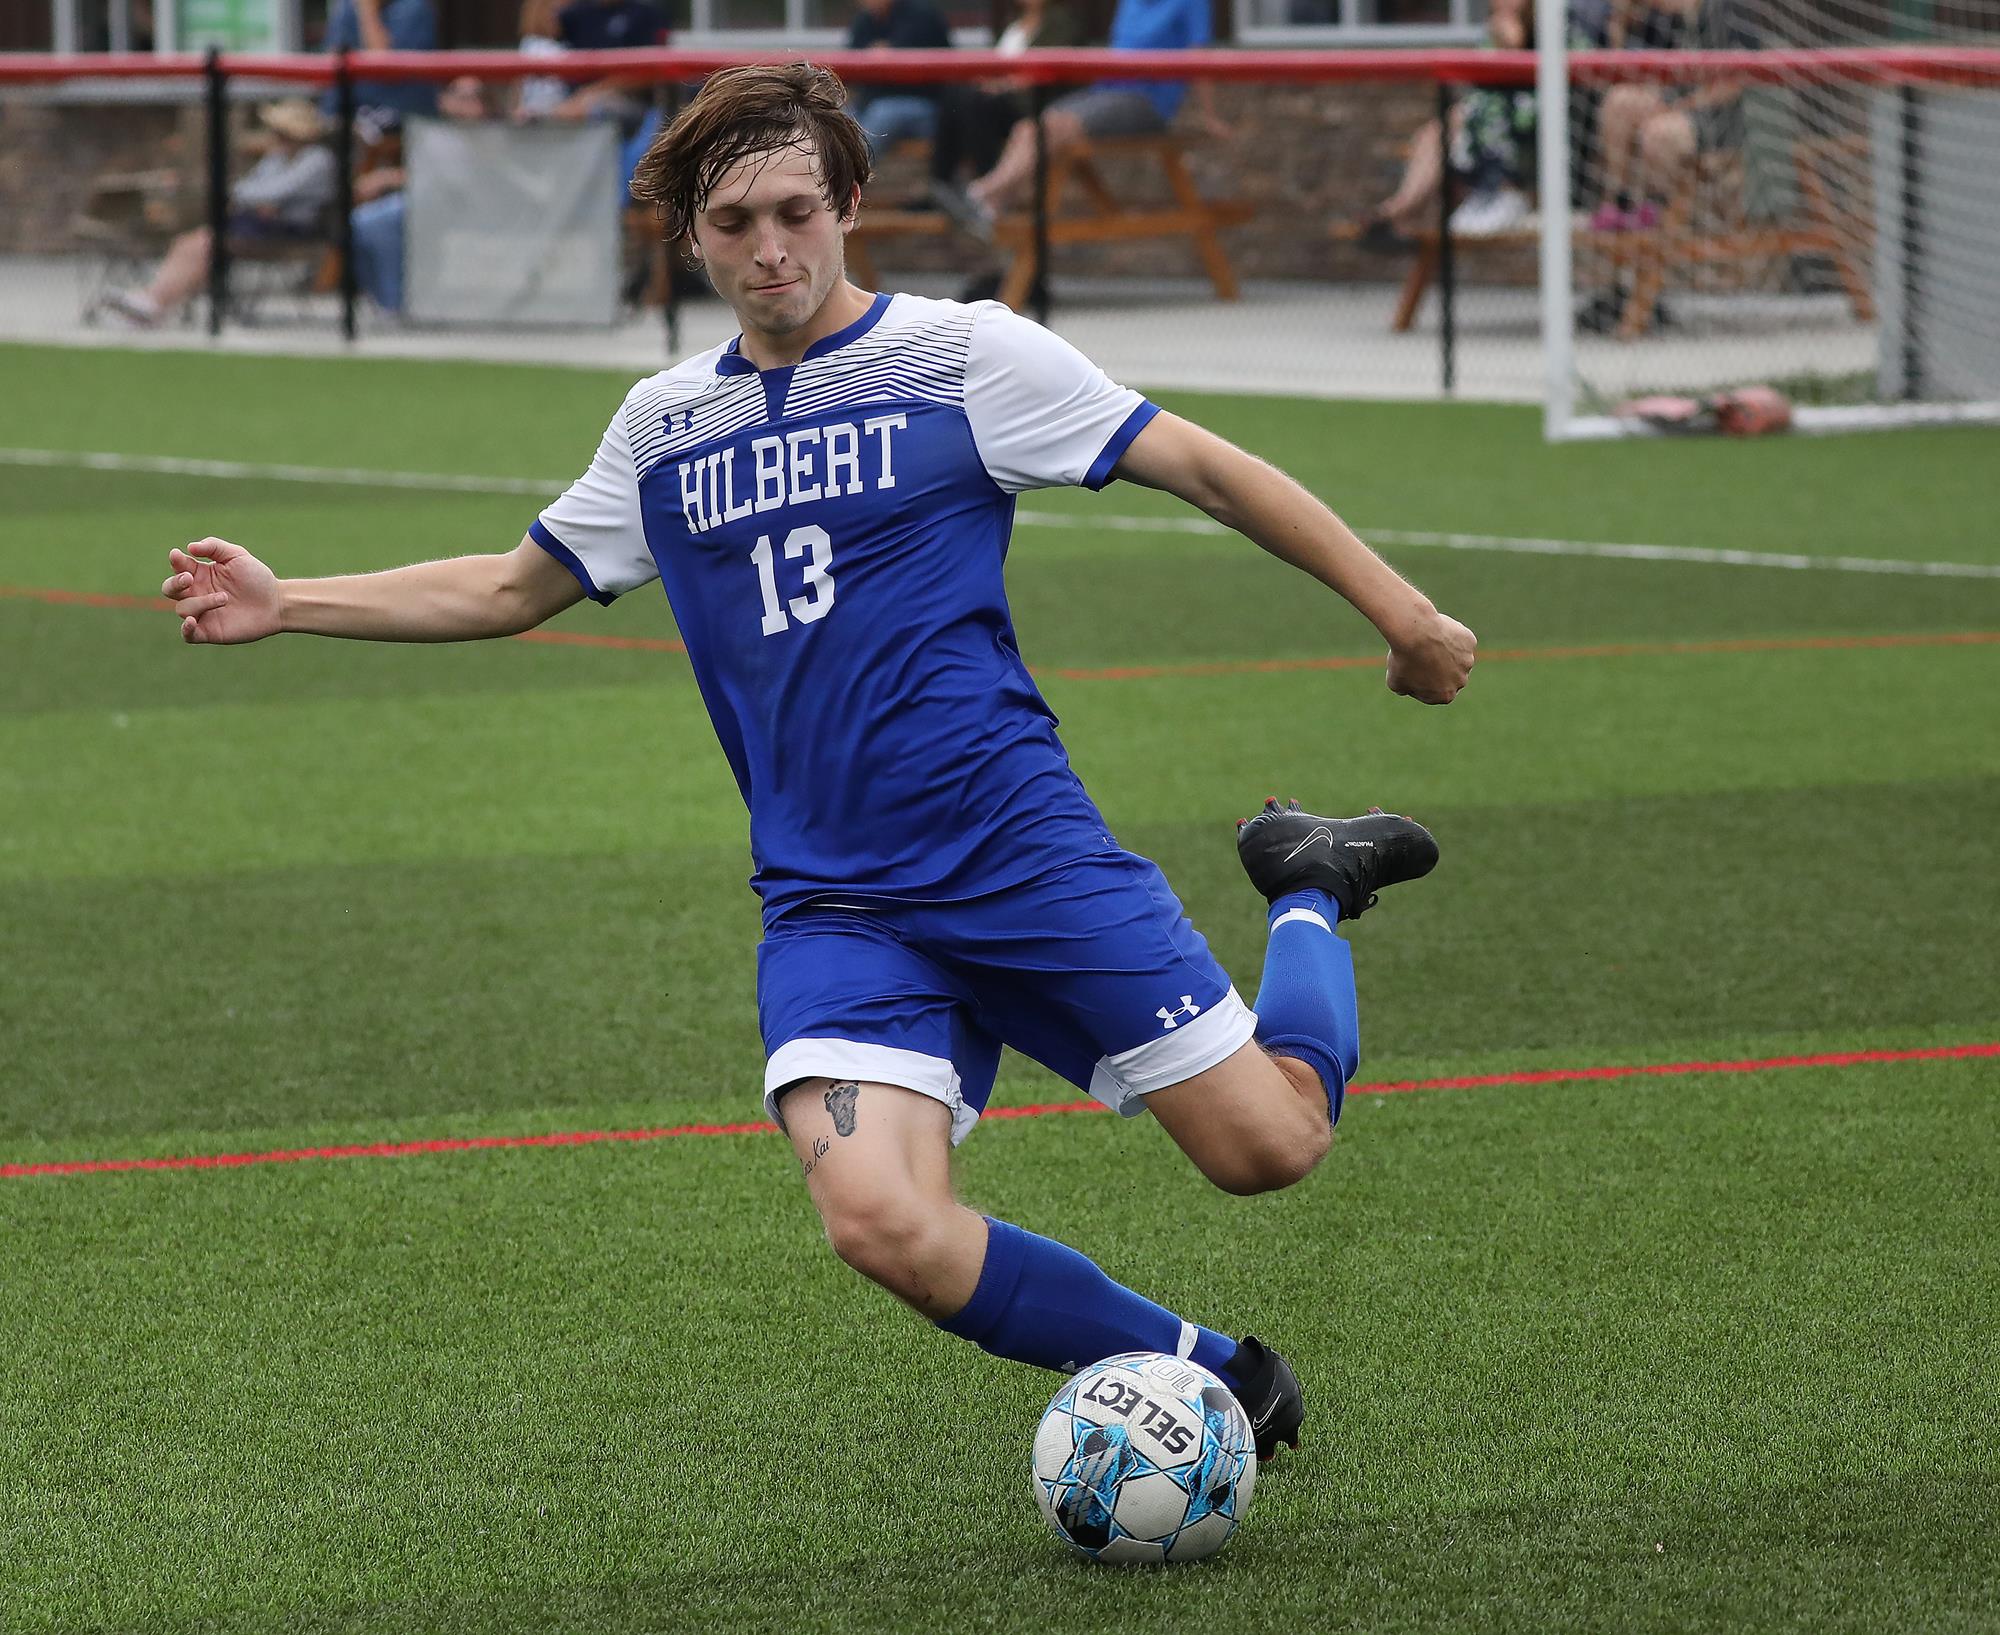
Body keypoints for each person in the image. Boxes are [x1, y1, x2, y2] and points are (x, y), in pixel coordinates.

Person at [161, 64, 1476, 1456]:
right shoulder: (665, 427)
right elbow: (506, 588)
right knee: (882, 1222)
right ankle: (1215, 1372)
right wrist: (289, 597)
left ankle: (1310, 883)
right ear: (692, 235)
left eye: (796, 209)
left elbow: (1206, 467)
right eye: (733, 221)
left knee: (1269, 1150)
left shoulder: (969, 357)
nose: (769, 247)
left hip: (1017, 852)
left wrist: (1403, 612)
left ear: (851, 206)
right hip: (835, 905)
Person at [960, 0, 1228, 233]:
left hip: (1146, 101)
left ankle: (983, 194)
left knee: (1055, 127)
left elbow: (1198, 55)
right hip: (1107, 91)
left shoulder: (1191, 2)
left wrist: (1209, 115)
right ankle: (994, 199)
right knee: (1029, 127)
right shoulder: (1131, 2)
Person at [101, 100, 337, 328]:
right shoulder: (276, 157)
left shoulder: (318, 159)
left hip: (291, 230)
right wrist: (256, 200)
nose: (276, 136)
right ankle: (153, 301)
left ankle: (154, 303)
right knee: (190, 242)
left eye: (282, 132)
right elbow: (245, 189)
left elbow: (275, 191)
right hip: (257, 223)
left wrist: (259, 200)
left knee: (204, 244)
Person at [1350, 0, 1542, 249]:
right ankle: (1398, 211)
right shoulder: (1492, 32)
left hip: (1530, 147)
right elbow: (1482, 92)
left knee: (1461, 120)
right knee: (1439, 129)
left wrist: (1510, 39)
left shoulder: (1555, 30)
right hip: (1480, 144)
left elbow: (1522, 90)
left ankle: (1396, 215)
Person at [1589, 0, 1756, 231]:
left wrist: (1679, 107)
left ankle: (1657, 212)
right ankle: (1621, 202)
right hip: (1672, 103)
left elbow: (1731, 85)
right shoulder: (1662, 14)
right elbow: (1625, 68)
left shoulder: (1729, 8)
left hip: (1715, 119)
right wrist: (1619, 22)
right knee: (1619, 102)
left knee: (1658, 134)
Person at [347, 76, 494, 315]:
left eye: (474, 98)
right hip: (423, 204)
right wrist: (388, 177)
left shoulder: (492, 135)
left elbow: (459, 182)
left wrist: (387, 178)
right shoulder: (435, 132)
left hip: (462, 208)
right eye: (460, 97)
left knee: (377, 224)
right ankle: (388, 301)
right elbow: (424, 176)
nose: (466, 105)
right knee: (361, 223)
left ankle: (393, 304)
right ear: (443, 100)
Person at [924, 0, 1086, 209]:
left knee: (979, 102)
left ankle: (987, 190)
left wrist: (1005, 84)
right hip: (999, 96)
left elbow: (1051, 70)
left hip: (1030, 102)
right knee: (955, 93)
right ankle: (941, 183)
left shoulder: (1062, 23)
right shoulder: (1012, 23)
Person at [845, 0, 953, 157]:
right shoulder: (864, 20)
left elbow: (938, 72)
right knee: (838, 113)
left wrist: (883, 54)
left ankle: (849, 174)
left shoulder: (922, 14)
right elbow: (850, 69)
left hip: (928, 108)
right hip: (870, 103)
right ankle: (827, 173)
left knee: (883, 113)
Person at [321, 0, 439, 128]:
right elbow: (329, 71)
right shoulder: (347, 6)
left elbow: (383, 68)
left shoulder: (414, 8)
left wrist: (367, 11)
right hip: (342, 120)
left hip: (397, 124)